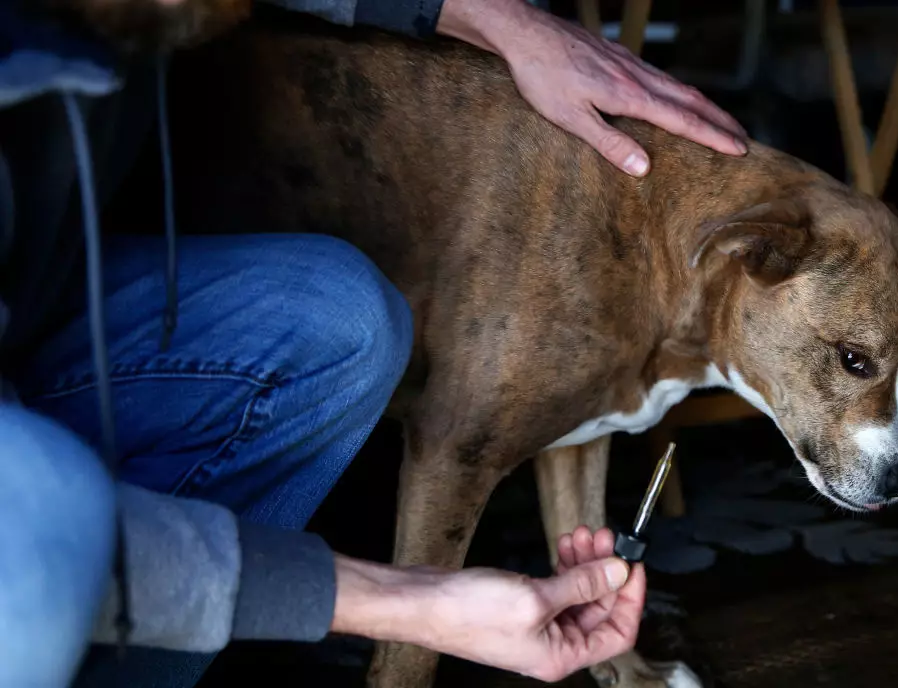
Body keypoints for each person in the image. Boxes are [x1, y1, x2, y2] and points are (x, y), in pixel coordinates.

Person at [0, 0, 747, 686]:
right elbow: (23, 536)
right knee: (45, 530)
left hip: (40, 309)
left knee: (347, 320)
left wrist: (505, 23)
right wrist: (400, 606)